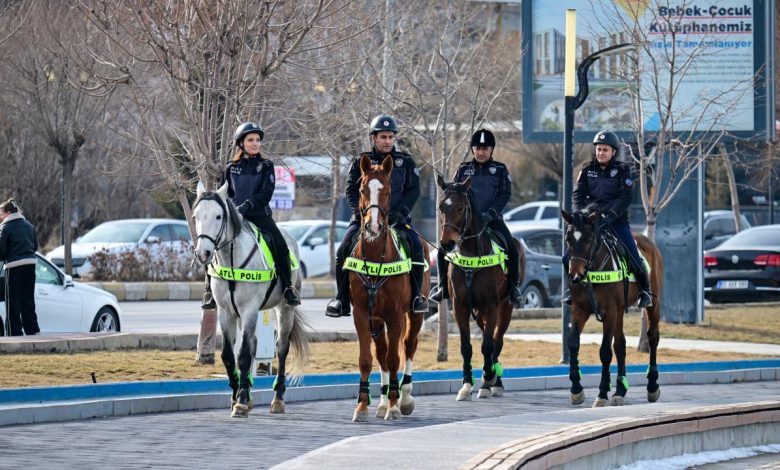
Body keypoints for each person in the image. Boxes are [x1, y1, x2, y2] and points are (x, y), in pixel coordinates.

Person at [325, 114, 428, 317]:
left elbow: (414, 191)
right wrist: (360, 213)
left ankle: (416, 296)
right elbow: (351, 190)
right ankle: (341, 299)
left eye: (390, 137)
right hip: (364, 220)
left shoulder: (405, 162)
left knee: (417, 248)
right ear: (374, 138)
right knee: (343, 251)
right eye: (383, 137)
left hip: (398, 221)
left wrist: (401, 213)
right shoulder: (360, 162)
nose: (387, 141)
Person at [201, 122, 300, 308]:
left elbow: (265, 194)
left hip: (260, 216)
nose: (255, 143)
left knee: (280, 245)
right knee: (212, 244)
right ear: (241, 143)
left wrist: (247, 206)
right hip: (235, 218)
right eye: (250, 140)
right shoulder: (231, 167)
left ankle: (288, 287)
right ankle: (209, 291)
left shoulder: (266, 166)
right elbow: (224, 194)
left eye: (257, 140)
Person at [429, 129, 523, 308]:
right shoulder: (463, 168)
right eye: (477, 148)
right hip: (465, 223)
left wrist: (492, 213)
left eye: (485, 148)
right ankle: (443, 287)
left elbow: (505, 194)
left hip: (492, 220)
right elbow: (455, 192)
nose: (481, 152)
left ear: (491, 150)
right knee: (443, 249)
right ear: (472, 149)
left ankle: (513, 288)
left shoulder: (500, 169)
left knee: (512, 249)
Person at [561, 130, 652, 308]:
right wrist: (580, 214)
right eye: (599, 149)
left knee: (633, 255)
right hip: (590, 222)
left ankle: (645, 291)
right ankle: (571, 288)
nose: (601, 153)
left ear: (613, 152)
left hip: (615, 221)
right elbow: (578, 195)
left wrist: (610, 215)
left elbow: (625, 198)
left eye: (605, 150)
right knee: (567, 257)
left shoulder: (622, 170)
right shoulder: (587, 170)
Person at [0, 198, 40, 336]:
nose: (1, 217)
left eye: (2, 213)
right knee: (28, 300)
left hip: (14, 266)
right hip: (30, 265)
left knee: (13, 301)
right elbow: (35, 247)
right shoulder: (29, 225)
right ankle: (33, 331)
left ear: (8, 212)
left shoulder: (5, 227)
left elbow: (1, 251)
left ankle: (14, 333)